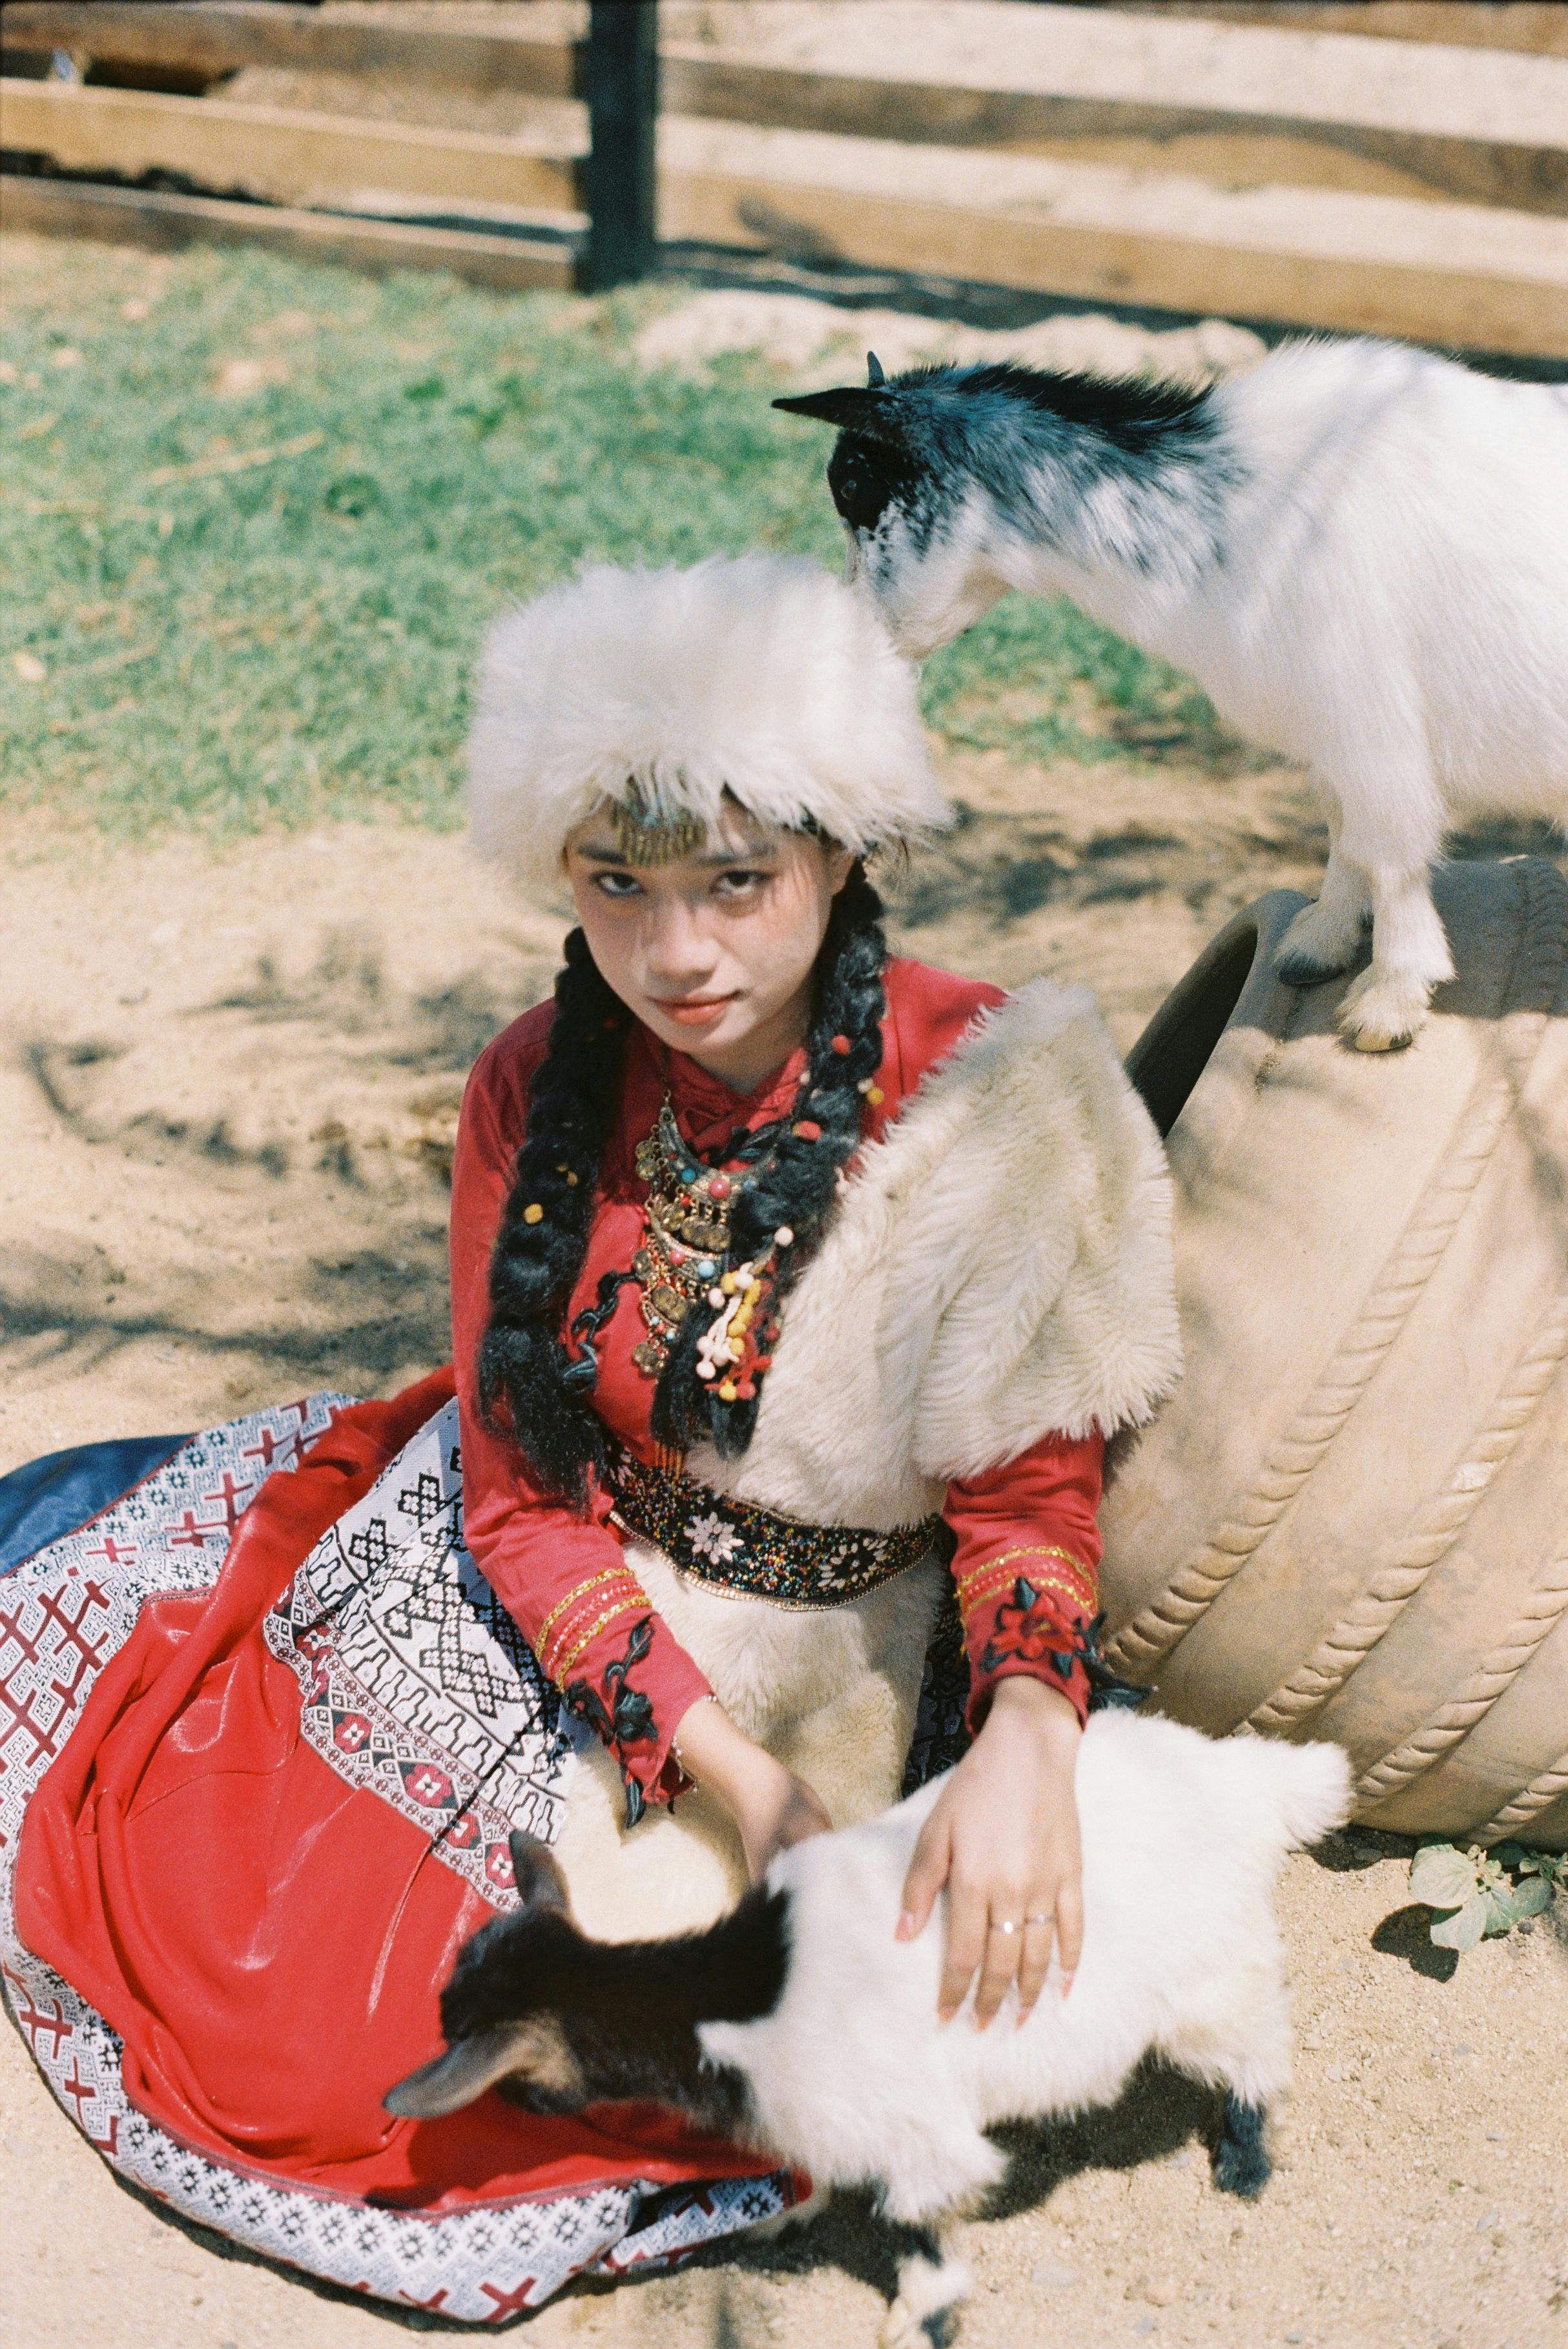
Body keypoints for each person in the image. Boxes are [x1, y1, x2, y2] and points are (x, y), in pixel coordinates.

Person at [0, 555, 1180, 2321]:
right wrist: (741, 1783)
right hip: (582, 1597)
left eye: (735, 880)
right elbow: (518, 1491)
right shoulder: (530, 1076)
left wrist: (1024, 1734)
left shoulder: (999, 1090)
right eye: (615, 884)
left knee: (674, 2044)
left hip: (872, 1646)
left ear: (842, 852)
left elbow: (1025, 1497)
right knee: (319, 2012)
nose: (676, 948)